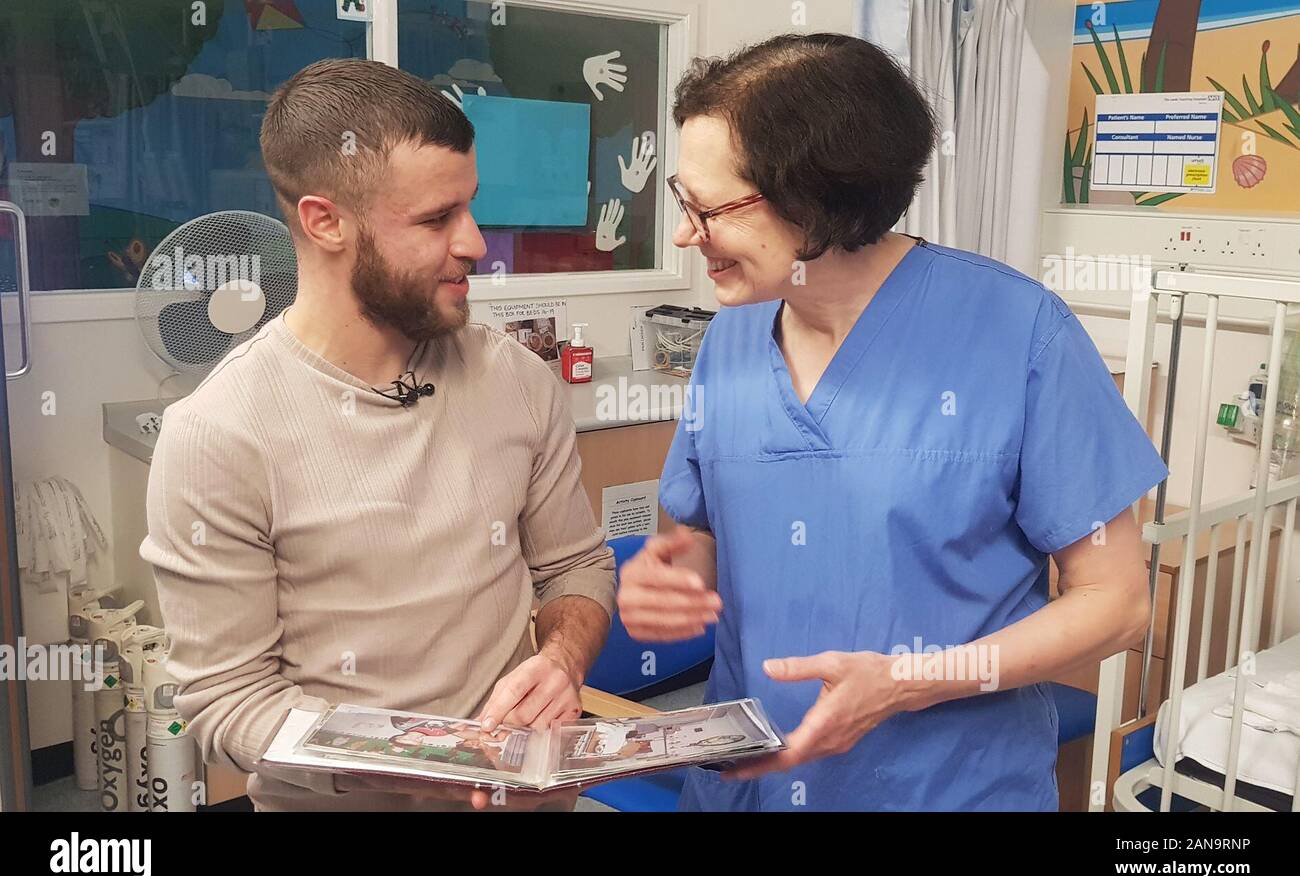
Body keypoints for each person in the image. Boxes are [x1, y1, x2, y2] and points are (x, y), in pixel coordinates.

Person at [616, 34, 1168, 811]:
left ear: (816, 197)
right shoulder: (731, 339)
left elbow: (1117, 606)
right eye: (685, 200)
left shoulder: (1018, 333)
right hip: (749, 786)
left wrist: (907, 683)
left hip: (946, 789)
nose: (685, 233)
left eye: (711, 210)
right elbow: (701, 532)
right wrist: (676, 575)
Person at [141, 58, 614, 811]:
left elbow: (576, 566)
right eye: (435, 219)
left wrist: (560, 661)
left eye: (470, 208)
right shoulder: (219, 435)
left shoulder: (517, 381)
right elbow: (228, 698)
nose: (475, 245)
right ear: (325, 221)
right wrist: (428, 762)